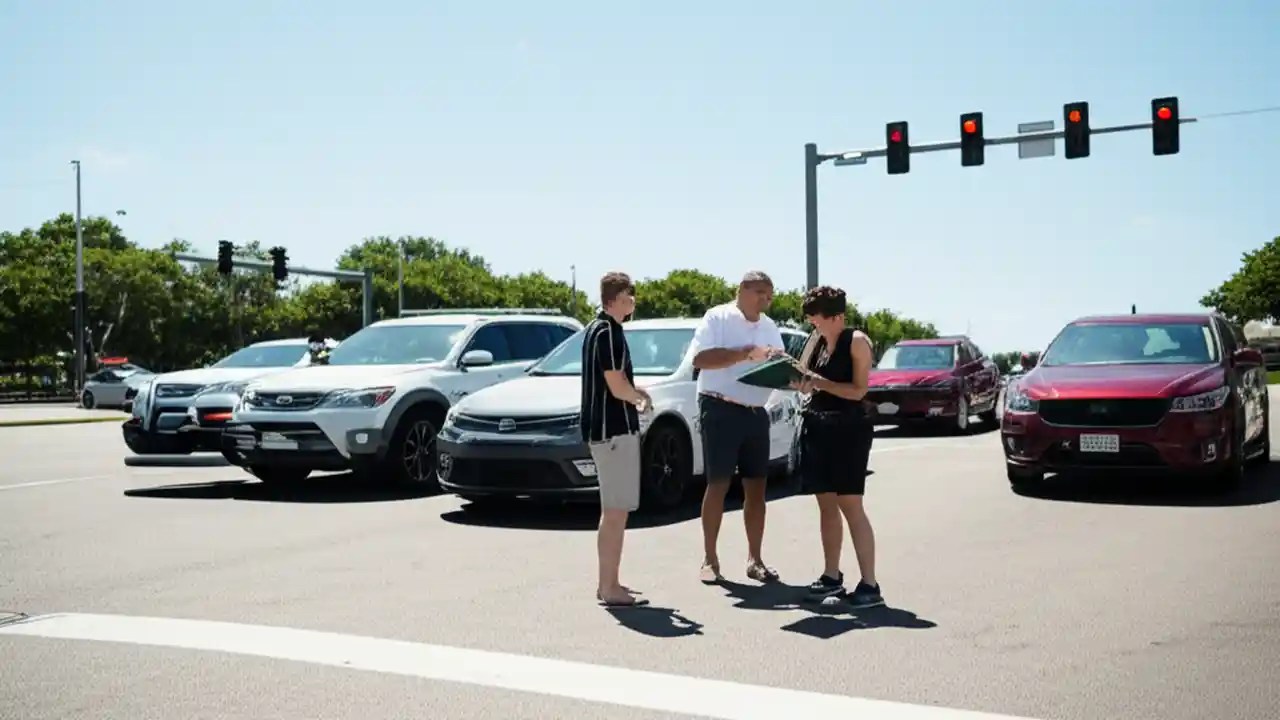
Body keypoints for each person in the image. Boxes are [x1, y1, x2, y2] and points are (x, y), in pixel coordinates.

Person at [690, 271, 787, 584]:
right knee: (718, 484)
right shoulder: (717, 318)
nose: (765, 300)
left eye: (769, 295)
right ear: (742, 290)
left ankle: (755, 560)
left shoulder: (770, 327)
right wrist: (744, 353)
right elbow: (701, 359)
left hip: (756, 412)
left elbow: (780, 367)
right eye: (760, 292)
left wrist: (789, 373)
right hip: (719, 407)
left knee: (757, 487)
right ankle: (710, 559)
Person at [790, 285, 883, 608]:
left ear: (837, 316)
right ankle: (832, 576)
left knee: (850, 504)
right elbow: (808, 379)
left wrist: (819, 382)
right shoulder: (816, 343)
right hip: (818, 426)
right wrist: (799, 380)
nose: (813, 323)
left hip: (849, 429)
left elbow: (859, 391)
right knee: (826, 504)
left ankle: (870, 584)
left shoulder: (856, 342)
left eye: (817, 318)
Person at [580, 271, 652, 608]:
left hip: (603, 431)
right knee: (615, 512)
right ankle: (609, 588)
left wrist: (635, 392)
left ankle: (607, 582)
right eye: (627, 296)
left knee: (613, 511)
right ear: (613, 300)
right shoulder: (609, 332)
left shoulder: (595, 329)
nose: (632, 301)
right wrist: (640, 398)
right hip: (613, 431)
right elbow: (616, 385)